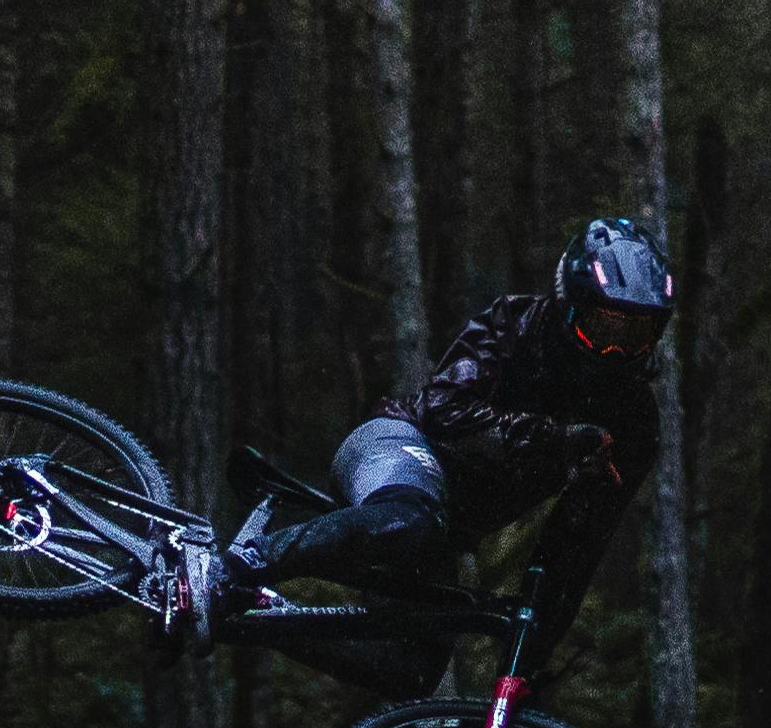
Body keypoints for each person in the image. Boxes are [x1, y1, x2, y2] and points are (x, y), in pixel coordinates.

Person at [176, 217, 674, 682]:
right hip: (397, 446)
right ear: (569, 307)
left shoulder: (632, 424)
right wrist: (554, 441)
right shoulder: (515, 324)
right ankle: (236, 565)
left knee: (409, 673)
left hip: (443, 533)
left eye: (637, 336)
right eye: (604, 330)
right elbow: (444, 411)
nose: (617, 352)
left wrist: (525, 667)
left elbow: (576, 546)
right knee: (412, 518)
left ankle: (245, 617)